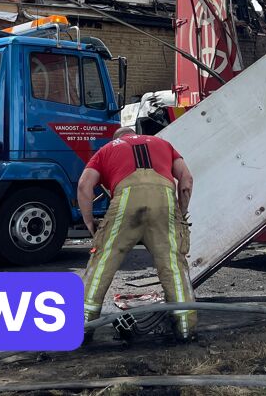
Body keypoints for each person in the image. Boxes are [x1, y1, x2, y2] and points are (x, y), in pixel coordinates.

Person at [78, 127, 196, 342]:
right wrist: (180, 213)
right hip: (164, 201)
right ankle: (185, 328)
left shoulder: (106, 149)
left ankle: (84, 327)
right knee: (173, 263)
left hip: (126, 200)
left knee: (103, 261)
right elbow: (186, 181)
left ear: (118, 138)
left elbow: (84, 185)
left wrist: (89, 223)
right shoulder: (164, 144)